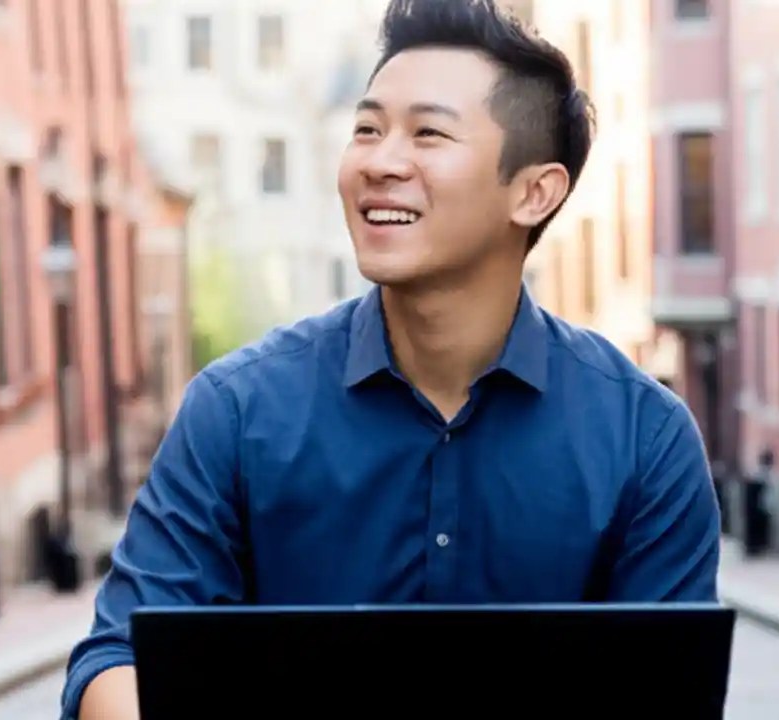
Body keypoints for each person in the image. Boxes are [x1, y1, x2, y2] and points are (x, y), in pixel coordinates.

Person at [63, 0, 720, 717]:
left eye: (428, 133)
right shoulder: (236, 410)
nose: (379, 162)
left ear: (535, 191)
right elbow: (115, 659)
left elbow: (666, 694)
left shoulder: (644, 439)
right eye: (367, 129)